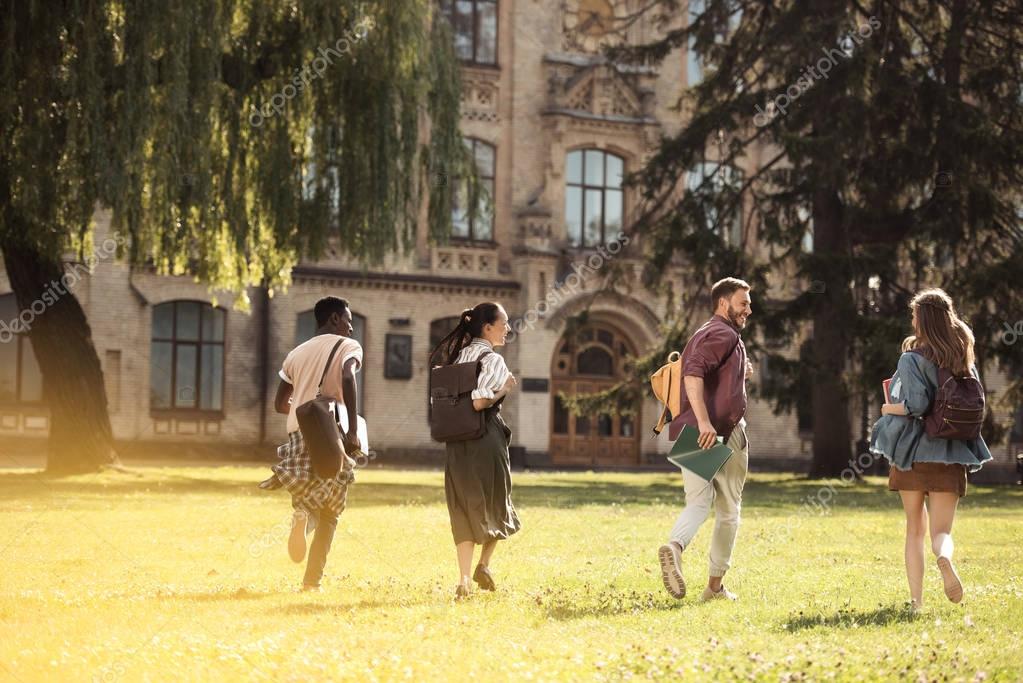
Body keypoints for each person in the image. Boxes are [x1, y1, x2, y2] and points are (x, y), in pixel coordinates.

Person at [870, 288, 992, 611]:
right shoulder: (962, 356)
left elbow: (916, 405)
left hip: (912, 456)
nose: (911, 320)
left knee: (914, 529)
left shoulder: (911, 359)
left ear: (922, 320)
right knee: (940, 533)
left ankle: (916, 602)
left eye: (913, 316)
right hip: (950, 456)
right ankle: (944, 558)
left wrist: (888, 409)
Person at [658, 277, 754, 602]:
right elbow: (693, 374)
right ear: (724, 303)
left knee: (698, 503)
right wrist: (704, 423)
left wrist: (741, 371)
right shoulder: (723, 333)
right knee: (729, 509)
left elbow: (706, 371)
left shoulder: (708, 332)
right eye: (743, 303)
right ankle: (714, 588)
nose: (748, 310)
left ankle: (674, 546)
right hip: (721, 432)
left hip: (692, 431)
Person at [259, 296, 363, 591]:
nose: (351, 329)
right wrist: (353, 429)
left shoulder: (296, 353)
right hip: (332, 435)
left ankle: (302, 518)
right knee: (331, 510)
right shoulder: (348, 347)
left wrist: (302, 407)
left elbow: (280, 403)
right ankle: (311, 583)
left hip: (297, 432)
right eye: (348, 321)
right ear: (334, 319)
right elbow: (347, 376)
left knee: (308, 497)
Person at [429, 302, 520, 599]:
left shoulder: (456, 358)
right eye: (504, 323)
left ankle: (465, 580)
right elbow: (480, 403)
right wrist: (505, 387)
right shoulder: (492, 360)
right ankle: (484, 564)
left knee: (462, 507)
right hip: (484, 437)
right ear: (487, 327)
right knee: (496, 499)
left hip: (456, 441)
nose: (507, 328)